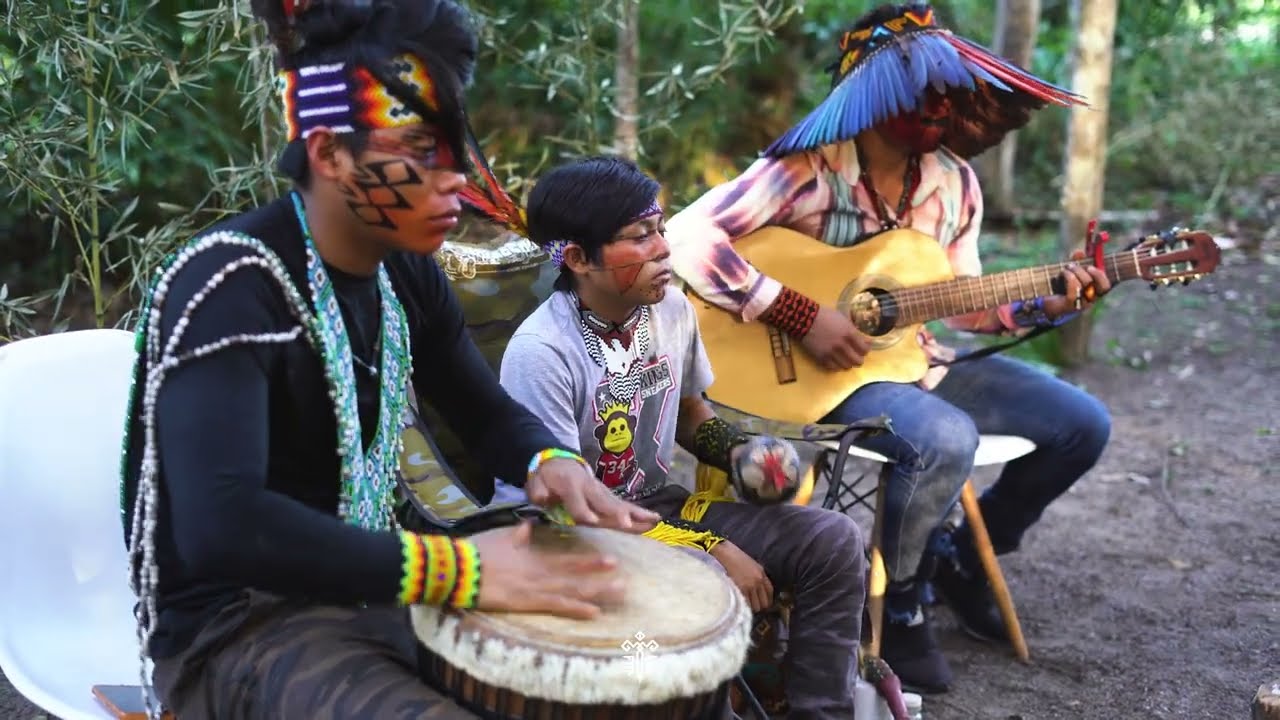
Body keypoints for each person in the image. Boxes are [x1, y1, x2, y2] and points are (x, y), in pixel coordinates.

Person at [118, 2, 659, 718]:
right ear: (329, 153)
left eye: (454, 149)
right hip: (233, 631)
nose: (457, 182)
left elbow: (484, 411)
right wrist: (459, 569)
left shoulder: (404, 273)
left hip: (374, 585)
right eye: (418, 151)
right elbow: (223, 523)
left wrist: (547, 462)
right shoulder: (231, 287)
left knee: (628, 660)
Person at [665, 2, 1113, 693]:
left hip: (913, 360)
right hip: (814, 372)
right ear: (871, 96)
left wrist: (1042, 301)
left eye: (948, 91)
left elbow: (962, 298)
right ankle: (902, 599)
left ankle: (961, 561)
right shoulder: (802, 171)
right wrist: (798, 312)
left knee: (1081, 425)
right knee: (942, 440)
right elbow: (687, 238)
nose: (939, 106)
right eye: (921, 91)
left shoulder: (954, 183)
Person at [486, 155, 867, 720]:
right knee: (705, 585)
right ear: (577, 259)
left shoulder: (670, 307)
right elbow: (571, 512)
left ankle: (819, 712)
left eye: (660, 228)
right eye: (640, 237)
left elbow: (691, 410)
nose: (664, 247)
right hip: (567, 536)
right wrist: (708, 547)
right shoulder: (541, 353)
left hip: (659, 507)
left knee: (833, 540)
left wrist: (739, 452)